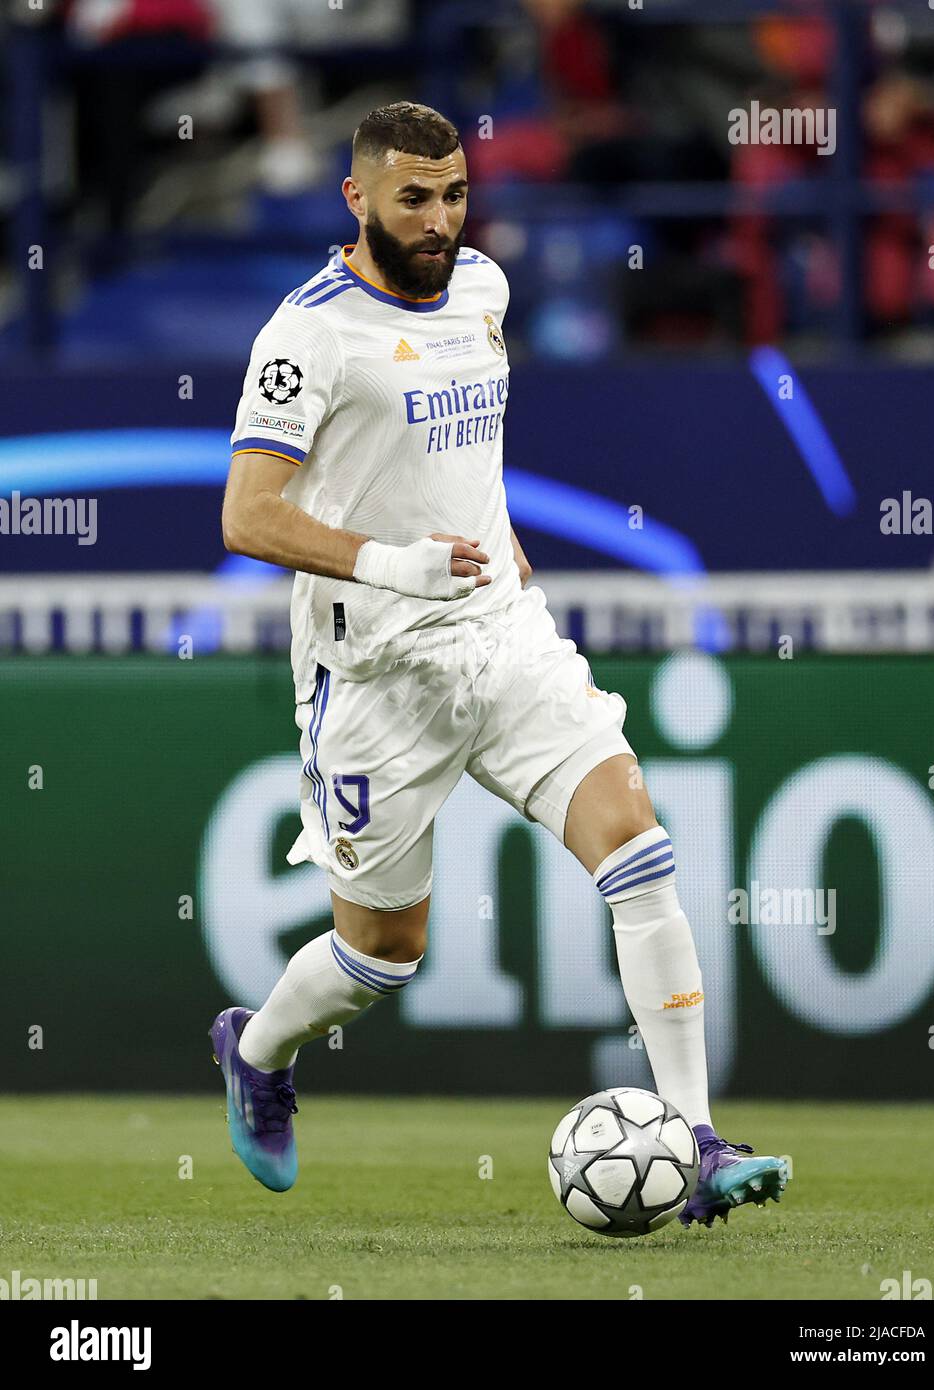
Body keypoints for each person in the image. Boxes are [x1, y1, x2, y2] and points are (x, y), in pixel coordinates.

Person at [211, 100, 788, 1228]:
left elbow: (458, 447)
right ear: (358, 197)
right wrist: (389, 561)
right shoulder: (306, 335)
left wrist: (495, 544)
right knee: (382, 955)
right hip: (377, 671)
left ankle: (701, 1140)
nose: (439, 219)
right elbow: (247, 513)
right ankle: (259, 1045)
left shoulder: (483, 289)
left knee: (638, 840)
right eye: (414, 197)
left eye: (455, 193)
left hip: (502, 633)